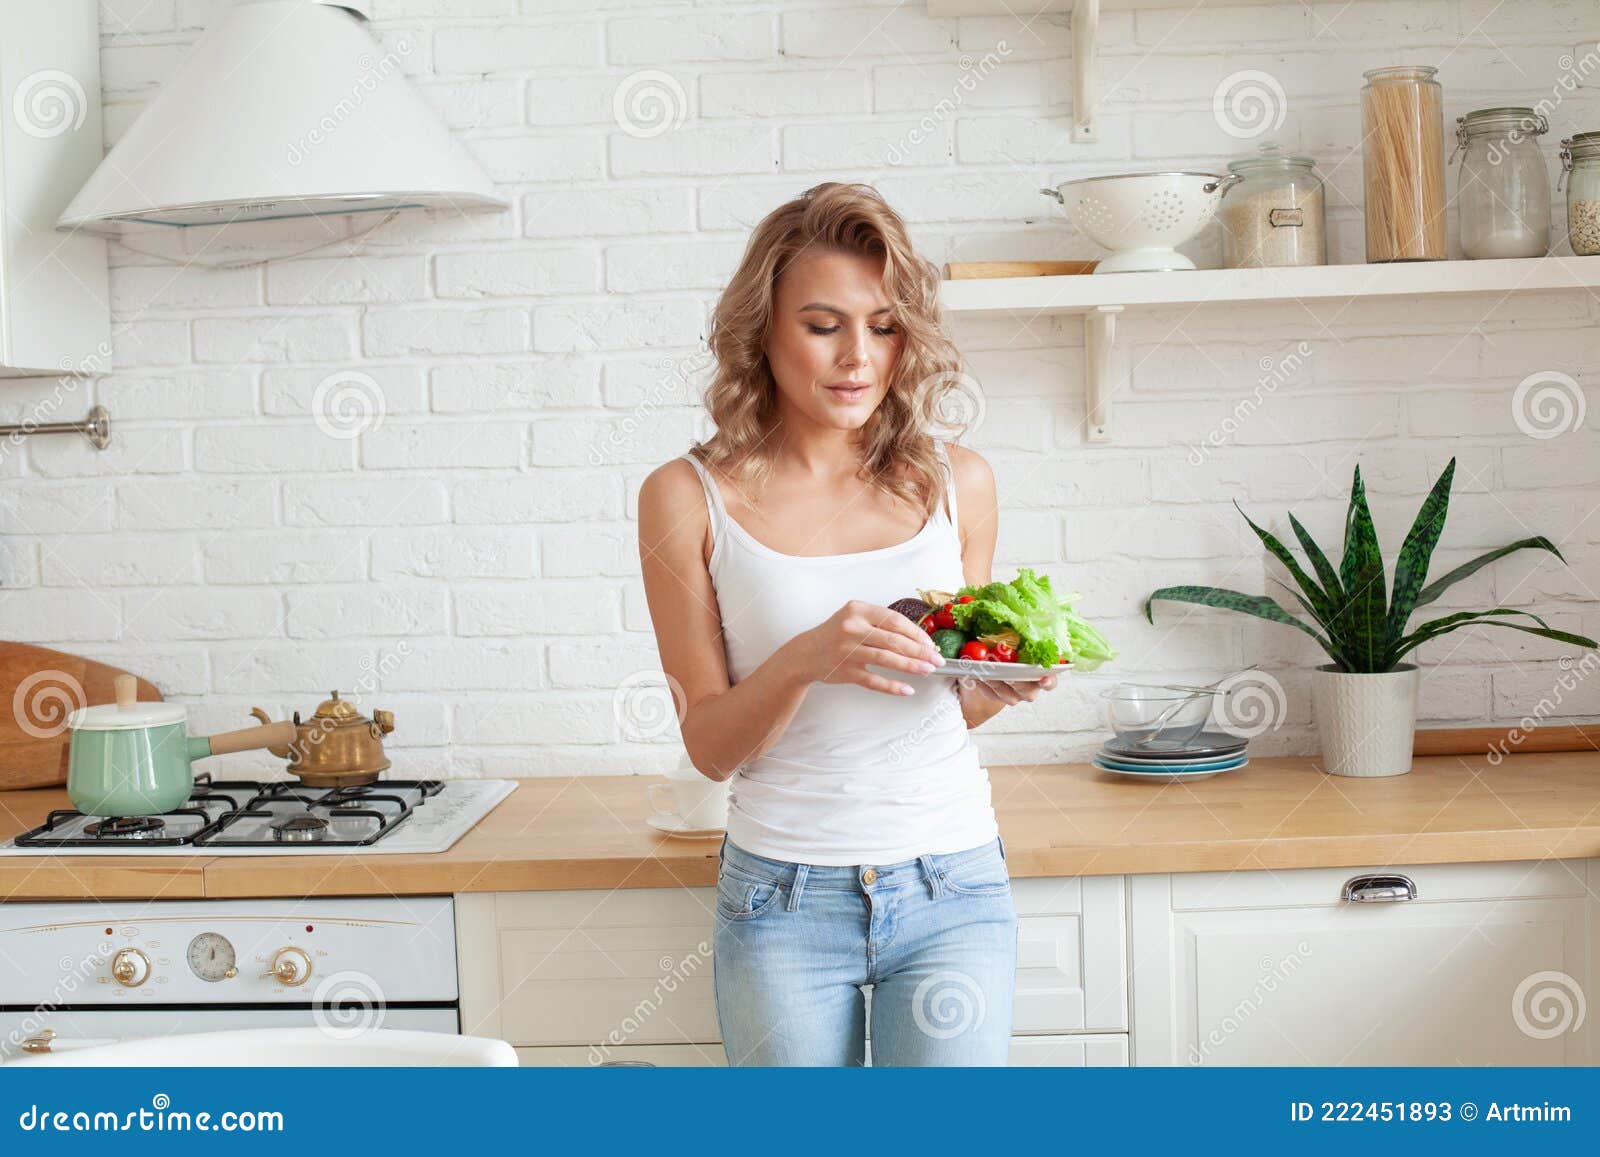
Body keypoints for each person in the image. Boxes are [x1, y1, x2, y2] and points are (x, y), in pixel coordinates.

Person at [636, 181, 1059, 1066]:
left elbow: (945, 697)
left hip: (953, 882)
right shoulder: (687, 497)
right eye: (823, 325)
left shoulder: (958, 482)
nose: (857, 357)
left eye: (884, 325)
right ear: (763, 332)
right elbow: (711, 747)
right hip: (782, 899)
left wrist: (999, 683)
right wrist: (801, 659)